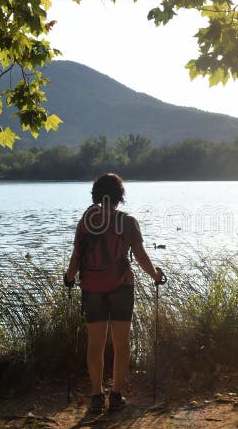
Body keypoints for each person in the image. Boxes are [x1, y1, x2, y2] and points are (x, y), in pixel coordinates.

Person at [64, 173, 165, 414]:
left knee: (95, 345)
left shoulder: (85, 221)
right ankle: (116, 396)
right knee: (121, 344)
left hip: (92, 288)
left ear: (96, 195)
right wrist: (155, 276)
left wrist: (68, 278)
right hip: (121, 287)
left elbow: (76, 257)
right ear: (120, 195)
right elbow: (140, 256)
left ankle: (97, 396)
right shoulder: (127, 221)